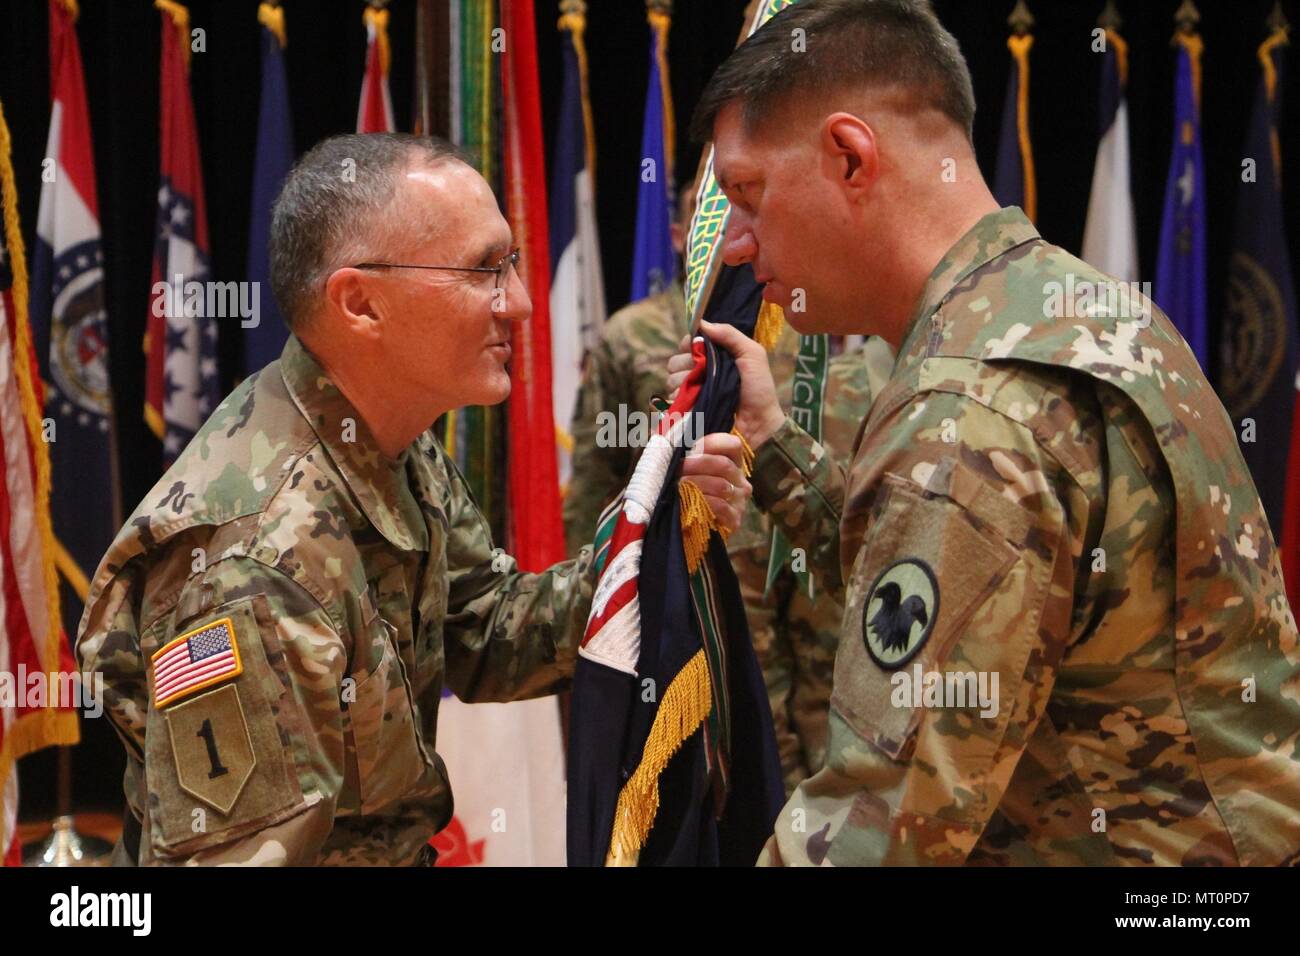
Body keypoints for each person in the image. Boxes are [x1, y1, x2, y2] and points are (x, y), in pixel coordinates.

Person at [675, 0, 1300, 865]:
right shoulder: (1074, 309)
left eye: (747, 195)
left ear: (851, 157)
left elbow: (878, 828)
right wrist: (774, 443)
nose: (734, 245)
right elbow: (991, 603)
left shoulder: (966, 404)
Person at [76, 133, 750, 866]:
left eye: (513, 265)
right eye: (484, 270)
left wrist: (654, 531)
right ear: (360, 303)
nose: (519, 305)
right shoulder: (252, 557)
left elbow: (488, 633)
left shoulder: (385, 435)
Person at [565, 184, 893, 795]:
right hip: (696, 576)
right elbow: (594, 482)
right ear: (678, 230)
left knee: (819, 747)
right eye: (708, 217)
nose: (724, 235)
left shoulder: (800, 325)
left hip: (806, 569)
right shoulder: (631, 335)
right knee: (712, 771)